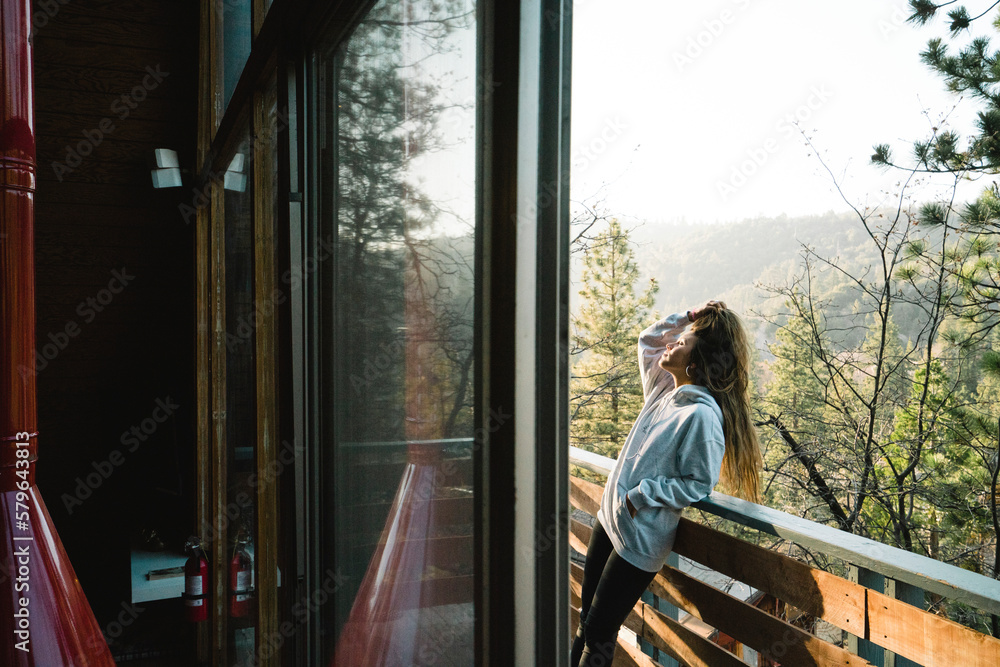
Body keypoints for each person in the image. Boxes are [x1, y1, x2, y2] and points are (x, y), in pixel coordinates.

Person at [570, 300, 762, 667]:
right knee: (586, 625)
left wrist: (642, 495)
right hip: (610, 519)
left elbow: (699, 484)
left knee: (598, 636)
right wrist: (690, 318)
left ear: (693, 364)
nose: (671, 344)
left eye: (682, 343)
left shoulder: (701, 416)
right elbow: (649, 339)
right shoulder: (663, 390)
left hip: (638, 542)